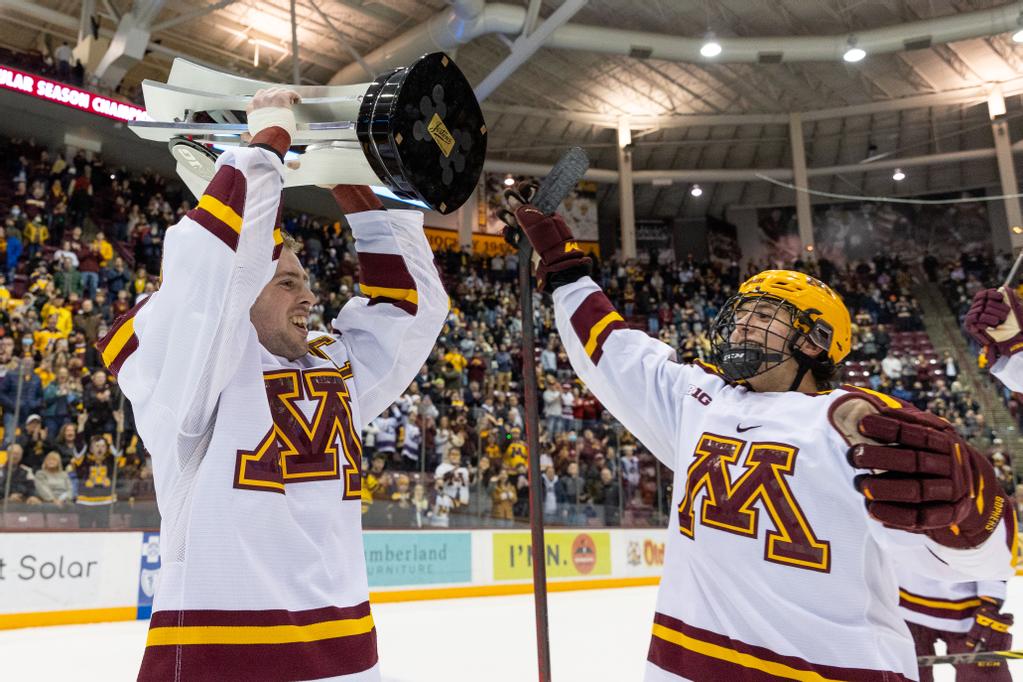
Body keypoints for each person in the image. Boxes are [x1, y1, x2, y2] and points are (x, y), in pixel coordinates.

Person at [500, 187, 1015, 682]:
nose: (743, 323)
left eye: (765, 314)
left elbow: (970, 558)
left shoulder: (857, 419)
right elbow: (611, 349)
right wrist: (567, 271)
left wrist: (970, 505)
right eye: (741, 312)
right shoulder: (697, 400)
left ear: (816, 342)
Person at [95, 88, 447, 681]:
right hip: (223, 660)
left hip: (348, 660)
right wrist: (262, 154)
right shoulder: (195, 381)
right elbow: (208, 278)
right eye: (286, 281)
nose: (309, 295)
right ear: (244, 287)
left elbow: (412, 308)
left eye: (305, 280)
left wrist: (357, 189)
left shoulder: (333, 366)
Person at [897, 566, 1012, 682]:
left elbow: (994, 550)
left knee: (985, 674)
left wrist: (990, 601)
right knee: (905, 674)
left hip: (968, 613)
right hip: (905, 608)